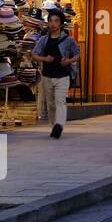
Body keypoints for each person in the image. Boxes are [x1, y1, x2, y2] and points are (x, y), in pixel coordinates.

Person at [31, 9, 80, 139]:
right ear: (48, 23)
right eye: (51, 21)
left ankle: (59, 124)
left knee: (60, 101)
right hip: (47, 76)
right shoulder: (43, 40)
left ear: (61, 24)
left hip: (63, 76)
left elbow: (77, 54)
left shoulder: (68, 40)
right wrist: (44, 59)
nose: (53, 24)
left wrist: (68, 61)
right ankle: (54, 126)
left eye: (56, 21)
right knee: (51, 104)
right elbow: (34, 54)